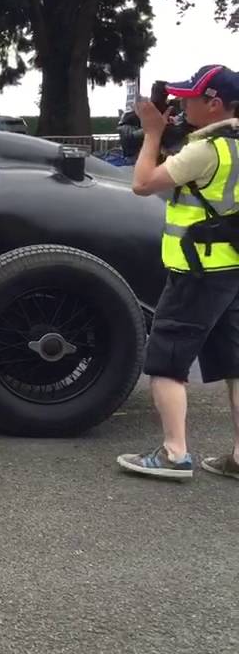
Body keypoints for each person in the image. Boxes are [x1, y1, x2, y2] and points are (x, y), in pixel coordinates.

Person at [118, 64, 239, 480]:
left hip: (197, 271)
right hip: (233, 267)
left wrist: (152, 133)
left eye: (190, 98)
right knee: (236, 363)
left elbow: (143, 183)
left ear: (214, 103)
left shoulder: (206, 149)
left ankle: (174, 453)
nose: (182, 104)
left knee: (167, 360)